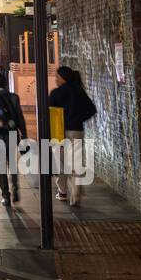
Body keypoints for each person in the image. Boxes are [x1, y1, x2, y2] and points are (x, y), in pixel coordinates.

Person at [49, 65, 97, 206]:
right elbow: (92, 109)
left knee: (61, 163)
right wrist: (79, 118)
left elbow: (49, 114)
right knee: (76, 163)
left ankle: (62, 192)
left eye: (57, 77)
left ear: (63, 78)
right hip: (76, 130)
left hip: (59, 132)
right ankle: (75, 196)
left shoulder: (56, 93)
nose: (56, 80)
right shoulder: (79, 91)